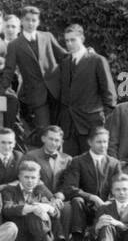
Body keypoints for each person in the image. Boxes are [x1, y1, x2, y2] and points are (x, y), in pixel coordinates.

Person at [47, 24, 116, 156]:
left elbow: (109, 94)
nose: (69, 44)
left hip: (90, 123)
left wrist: (101, 119)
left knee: (92, 163)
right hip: (68, 125)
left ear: (82, 39)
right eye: (67, 41)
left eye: (73, 40)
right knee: (70, 163)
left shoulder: (97, 60)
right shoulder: (65, 62)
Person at [3, 7, 65, 141]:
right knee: (44, 131)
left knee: (59, 129)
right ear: (21, 22)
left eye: (34, 20)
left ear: (38, 22)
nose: (30, 23)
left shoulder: (47, 36)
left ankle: (59, 160)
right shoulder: (14, 45)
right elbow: (9, 70)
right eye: (27, 20)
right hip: (35, 94)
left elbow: (64, 56)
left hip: (56, 90)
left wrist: (84, 52)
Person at [61, 125, 123, 241]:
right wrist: (92, 197)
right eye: (99, 142)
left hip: (107, 205)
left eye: (105, 141)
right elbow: (70, 187)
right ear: (90, 142)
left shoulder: (114, 163)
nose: (103, 145)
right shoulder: (78, 161)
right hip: (86, 206)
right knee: (77, 200)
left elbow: (119, 186)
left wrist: (109, 202)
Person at [0, 158, 73, 241]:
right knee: (34, 213)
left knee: (45, 211)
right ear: (19, 177)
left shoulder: (40, 190)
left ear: (38, 179)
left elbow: (56, 212)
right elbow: (7, 209)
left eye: (33, 178)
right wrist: (32, 208)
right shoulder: (10, 191)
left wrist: (47, 208)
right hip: (20, 239)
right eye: (26, 177)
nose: (30, 181)